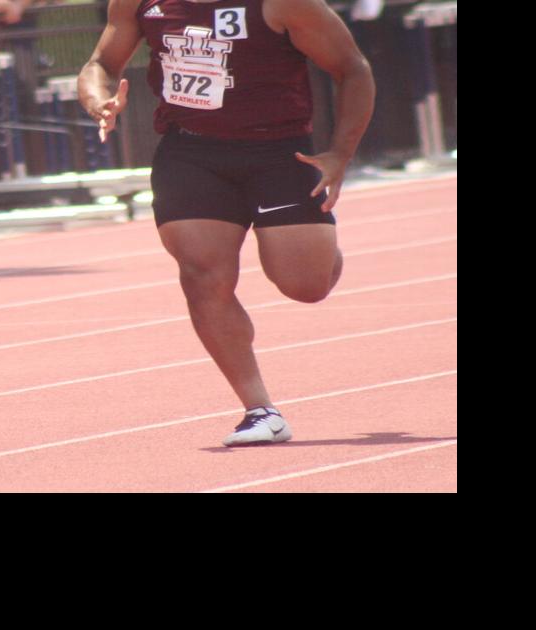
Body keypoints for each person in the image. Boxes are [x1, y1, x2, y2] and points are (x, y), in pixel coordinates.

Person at [79, 0, 374, 446]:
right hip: (190, 153)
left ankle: (319, 246)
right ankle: (260, 409)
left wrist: (340, 153)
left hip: (279, 152)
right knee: (202, 275)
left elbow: (353, 68)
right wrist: (98, 99)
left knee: (306, 286)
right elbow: (99, 62)